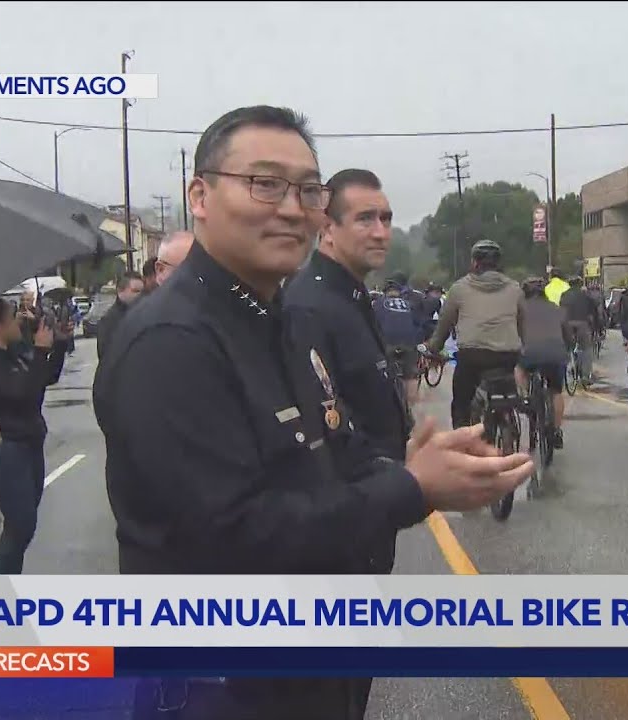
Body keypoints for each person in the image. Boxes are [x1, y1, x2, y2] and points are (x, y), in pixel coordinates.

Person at [96, 105, 532, 720]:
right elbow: (235, 539)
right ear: (200, 195)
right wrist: (410, 489)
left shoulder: (286, 319)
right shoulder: (170, 343)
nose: (292, 208)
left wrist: (410, 465)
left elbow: (331, 447)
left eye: (308, 190)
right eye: (264, 184)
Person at [283, 168, 414, 460]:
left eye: (386, 219)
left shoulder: (351, 295)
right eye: (365, 219)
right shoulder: (309, 305)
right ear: (327, 229)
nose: (381, 233)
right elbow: (327, 438)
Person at [0, 298, 69, 574]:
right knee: (21, 524)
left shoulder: (16, 351)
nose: (18, 320)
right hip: (5, 449)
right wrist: (40, 352)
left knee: (22, 526)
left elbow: (45, 378)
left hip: (30, 442)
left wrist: (56, 344)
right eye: (12, 316)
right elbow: (23, 395)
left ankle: (8, 582)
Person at [423, 240, 525, 430]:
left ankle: (462, 445)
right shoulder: (515, 289)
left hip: (472, 356)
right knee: (510, 392)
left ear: (474, 263)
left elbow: (444, 325)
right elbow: (523, 324)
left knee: (461, 404)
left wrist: (434, 347)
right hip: (507, 356)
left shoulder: (459, 289)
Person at [516, 277, 570, 449]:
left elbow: (514, 333)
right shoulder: (557, 309)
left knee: (519, 367)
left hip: (530, 353)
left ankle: (524, 396)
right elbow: (568, 336)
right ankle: (556, 430)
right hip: (556, 354)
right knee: (556, 391)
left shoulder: (519, 310)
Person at [374, 278, 425, 406]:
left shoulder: (378, 304)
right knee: (411, 375)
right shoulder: (408, 304)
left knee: (382, 372)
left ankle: (385, 403)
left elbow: (373, 324)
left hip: (388, 343)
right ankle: (410, 406)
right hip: (408, 343)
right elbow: (418, 324)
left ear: (385, 292)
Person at [559, 275, 599, 385]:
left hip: (567, 324)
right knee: (586, 348)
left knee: (567, 348)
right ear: (580, 285)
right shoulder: (586, 296)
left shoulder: (563, 295)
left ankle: (569, 367)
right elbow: (593, 314)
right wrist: (596, 327)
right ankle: (586, 375)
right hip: (582, 324)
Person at [95, 272, 144, 361]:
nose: (140, 295)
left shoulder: (142, 314)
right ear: (120, 290)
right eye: (135, 291)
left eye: (142, 292)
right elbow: (105, 355)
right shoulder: (109, 320)